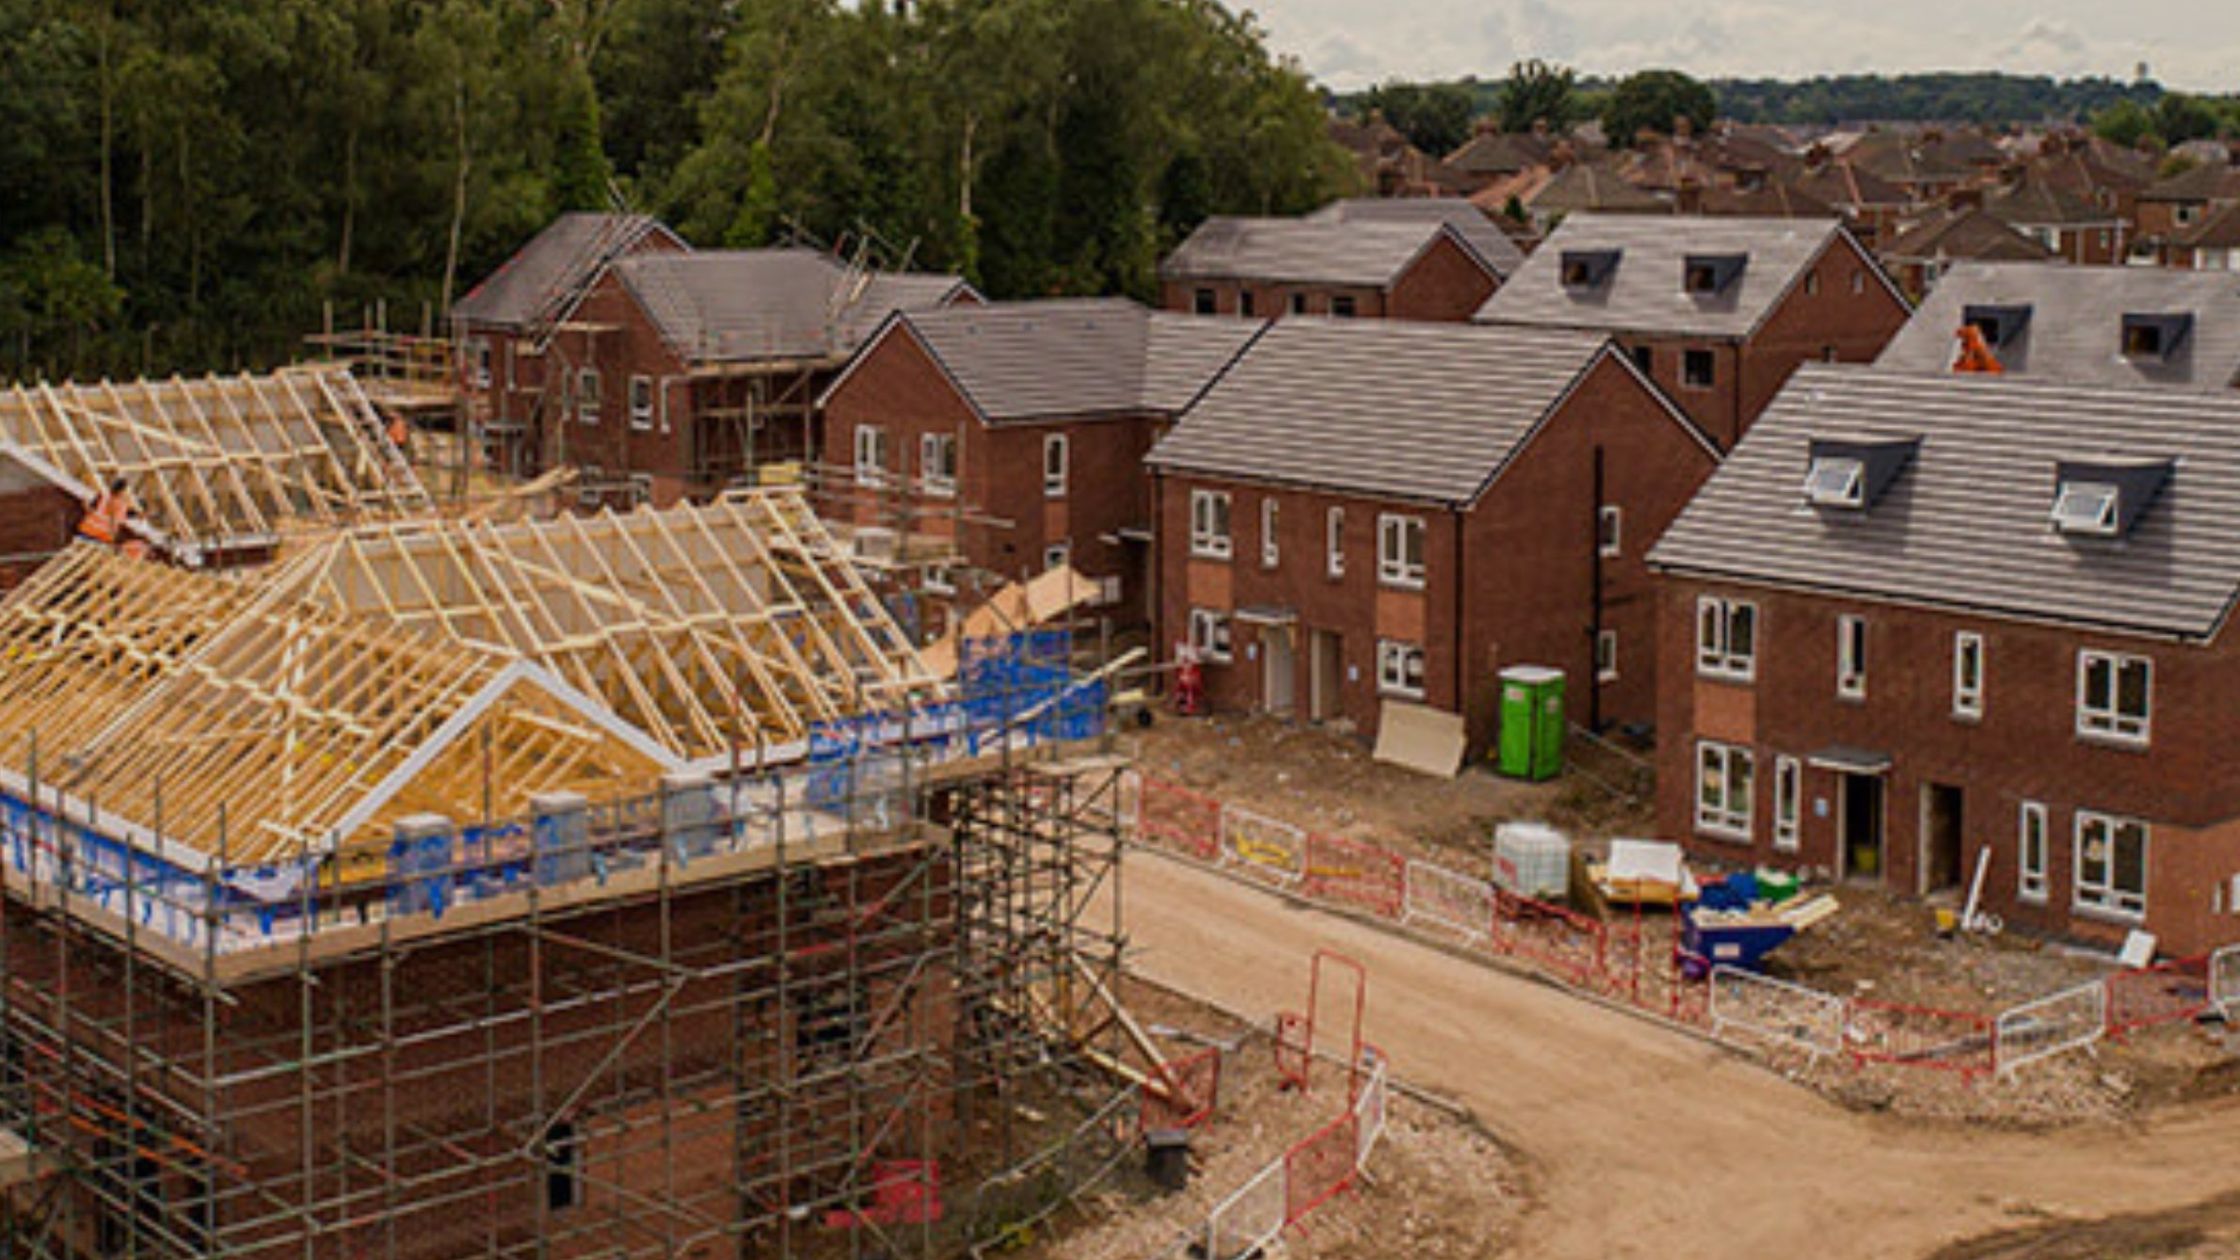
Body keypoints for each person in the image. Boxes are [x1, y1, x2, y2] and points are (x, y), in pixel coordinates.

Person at [77, 476, 134, 547]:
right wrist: (113, 538)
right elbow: (115, 521)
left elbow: (90, 509)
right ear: (122, 491)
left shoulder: (103, 495)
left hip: (87, 530)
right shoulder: (122, 505)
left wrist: (85, 502)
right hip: (102, 536)